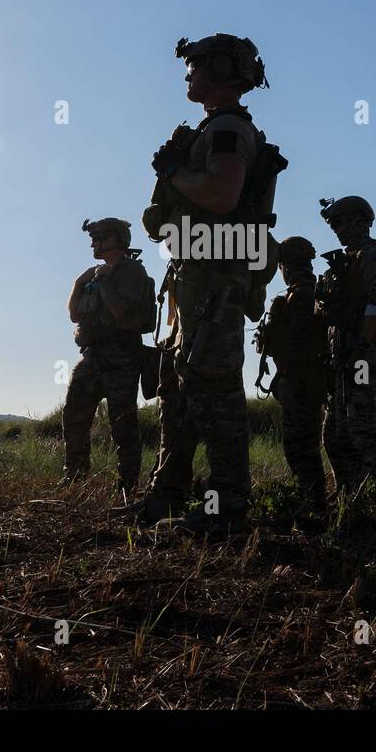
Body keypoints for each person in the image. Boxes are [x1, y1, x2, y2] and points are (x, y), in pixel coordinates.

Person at [128, 33, 278, 535]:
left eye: (194, 66)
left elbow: (220, 194)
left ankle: (228, 508)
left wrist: (173, 173)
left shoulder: (230, 128)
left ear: (218, 69)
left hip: (214, 280)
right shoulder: (213, 128)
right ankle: (164, 498)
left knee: (214, 393)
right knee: (177, 391)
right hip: (191, 279)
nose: (187, 75)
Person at [315, 196, 376, 498]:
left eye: (340, 222)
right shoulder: (347, 259)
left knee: (361, 421)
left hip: (362, 352)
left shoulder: (372, 254)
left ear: (360, 220)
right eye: (333, 224)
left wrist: (361, 345)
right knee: (335, 429)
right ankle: (349, 492)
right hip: (341, 352)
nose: (336, 229)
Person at [62, 217, 155, 492]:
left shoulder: (132, 273)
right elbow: (74, 314)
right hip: (93, 355)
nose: (94, 242)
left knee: (123, 424)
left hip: (122, 357)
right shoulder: (94, 273)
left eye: (100, 236)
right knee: (74, 415)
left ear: (117, 238)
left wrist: (103, 284)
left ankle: (126, 485)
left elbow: (121, 313)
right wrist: (80, 283)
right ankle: (75, 478)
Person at [254, 235, 329, 516]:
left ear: (284, 265)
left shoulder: (301, 296)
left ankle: (312, 505)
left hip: (300, 382)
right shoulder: (307, 292)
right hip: (300, 380)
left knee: (301, 447)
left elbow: (298, 344)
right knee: (301, 445)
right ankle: (310, 501)